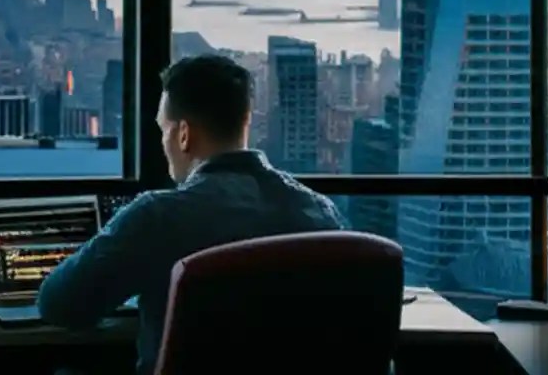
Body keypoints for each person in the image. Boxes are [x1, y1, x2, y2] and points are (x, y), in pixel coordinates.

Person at [38, 54, 348, 374]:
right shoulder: (320, 214)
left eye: (164, 130)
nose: (163, 141)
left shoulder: (157, 217)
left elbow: (60, 305)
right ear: (245, 121)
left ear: (183, 134)